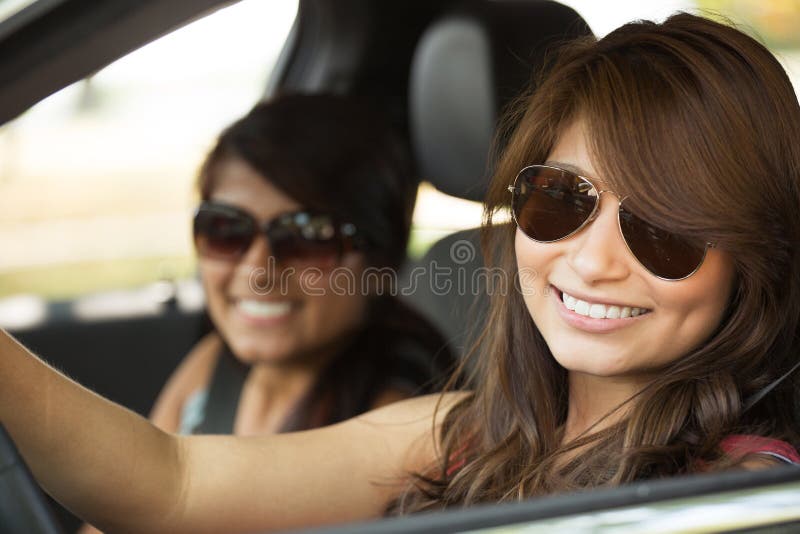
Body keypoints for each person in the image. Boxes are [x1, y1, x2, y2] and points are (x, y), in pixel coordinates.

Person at [1, 12, 799, 534]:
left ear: (753, 260)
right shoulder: (465, 432)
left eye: (664, 232)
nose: (591, 259)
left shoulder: (742, 497)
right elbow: (172, 484)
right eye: (563, 199)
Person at [143, 94, 454, 438]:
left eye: (306, 238)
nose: (257, 270)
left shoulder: (405, 417)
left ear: (379, 261)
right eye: (227, 231)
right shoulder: (212, 365)